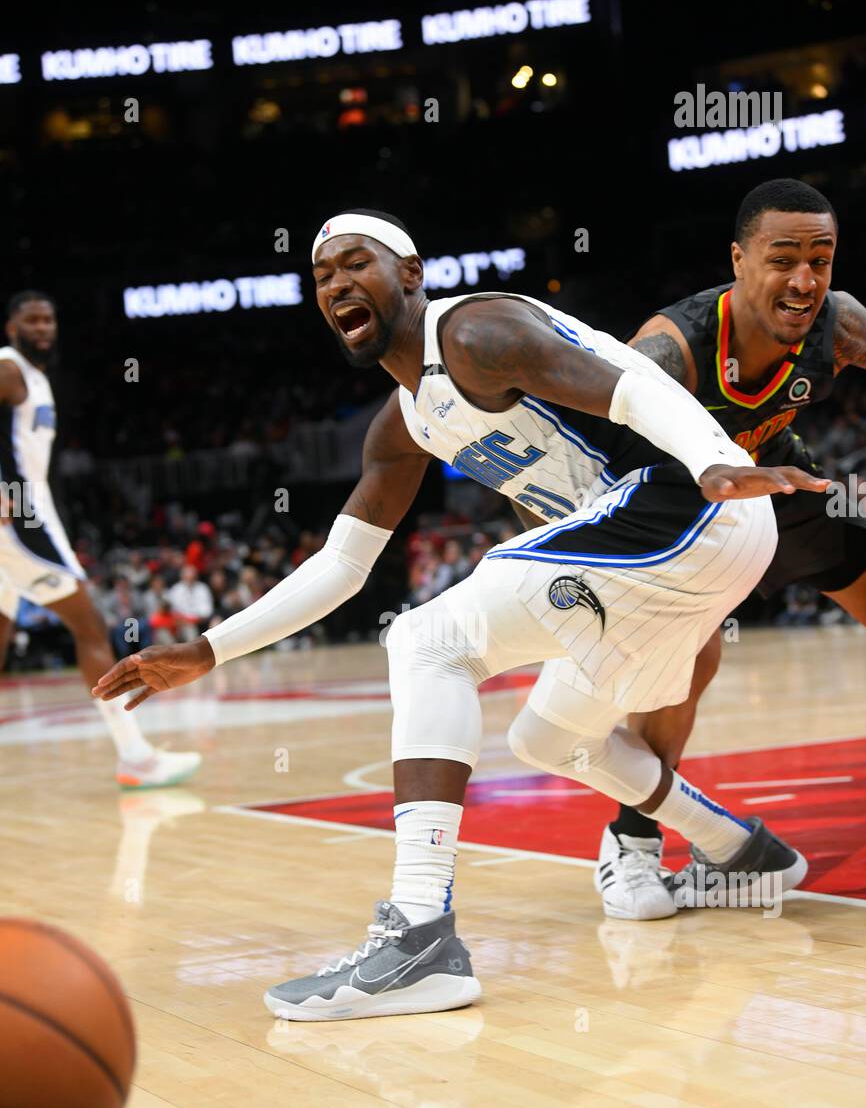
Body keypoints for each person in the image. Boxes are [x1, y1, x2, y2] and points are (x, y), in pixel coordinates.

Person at [94, 210, 829, 1017]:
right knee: (545, 739)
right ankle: (743, 852)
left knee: (427, 639)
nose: (337, 282)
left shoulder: (477, 330)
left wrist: (715, 457)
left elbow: (635, 388)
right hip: (660, 561)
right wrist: (208, 650)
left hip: (688, 505)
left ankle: (420, 936)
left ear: (410, 273)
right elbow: (343, 564)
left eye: (355, 263)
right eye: (322, 276)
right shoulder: (405, 423)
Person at [593, 177, 866, 918]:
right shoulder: (667, 348)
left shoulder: (838, 323)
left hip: (774, 477)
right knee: (693, 658)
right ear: (740, 259)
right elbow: (579, 453)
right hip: (671, 502)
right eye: (784, 259)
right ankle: (631, 844)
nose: (805, 280)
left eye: (822, 259)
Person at [0, 290, 201, 787]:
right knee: (89, 626)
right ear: (12, 328)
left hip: (30, 510)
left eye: (49, 319)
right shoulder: (8, 367)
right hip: (20, 516)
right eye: (32, 320)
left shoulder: (37, 377)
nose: (44, 327)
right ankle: (134, 756)